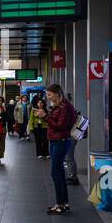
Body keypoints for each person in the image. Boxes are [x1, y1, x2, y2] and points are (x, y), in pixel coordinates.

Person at [45, 84, 77, 214]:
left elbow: (60, 126)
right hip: (56, 140)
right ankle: (64, 203)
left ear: (57, 93)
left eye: (50, 94)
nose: (48, 97)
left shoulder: (64, 107)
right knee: (59, 172)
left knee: (55, 172)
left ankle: (60, 204)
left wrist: (45, 117)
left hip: (60, 141)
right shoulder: (59, 106)